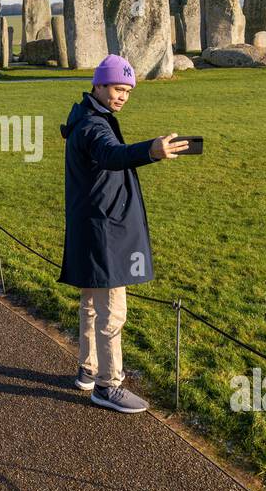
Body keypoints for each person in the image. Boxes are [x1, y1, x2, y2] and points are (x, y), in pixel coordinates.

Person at [59, 54, 189, 414]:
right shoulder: (92, 126)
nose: (123, 97)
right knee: (113, 311)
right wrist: (151, 150)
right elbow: (111, 154)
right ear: (98, 84)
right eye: (118, 88)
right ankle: (108, 384)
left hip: (90, 224)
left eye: (128, 91)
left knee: (90, 305)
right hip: (104, 231)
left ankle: (88, 369)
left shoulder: (87, 116)